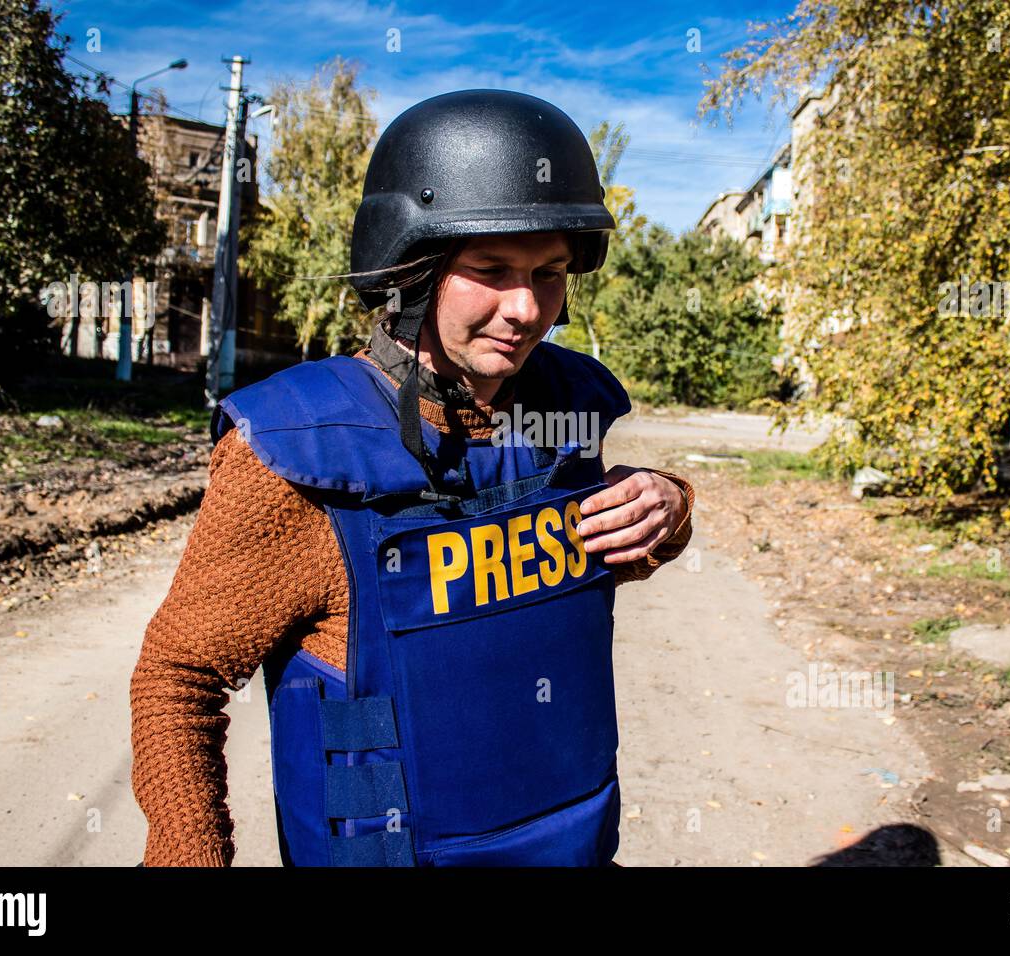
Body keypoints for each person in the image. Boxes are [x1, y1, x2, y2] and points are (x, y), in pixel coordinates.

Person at [130, 88, 696, 866]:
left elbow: (582, 566)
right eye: (491, 269)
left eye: (551, 271)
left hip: (574, 842)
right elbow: (177, 678)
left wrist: (668, 508)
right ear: (412, 272)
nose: (526, 308)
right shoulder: (296, 458)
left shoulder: (568, 410)